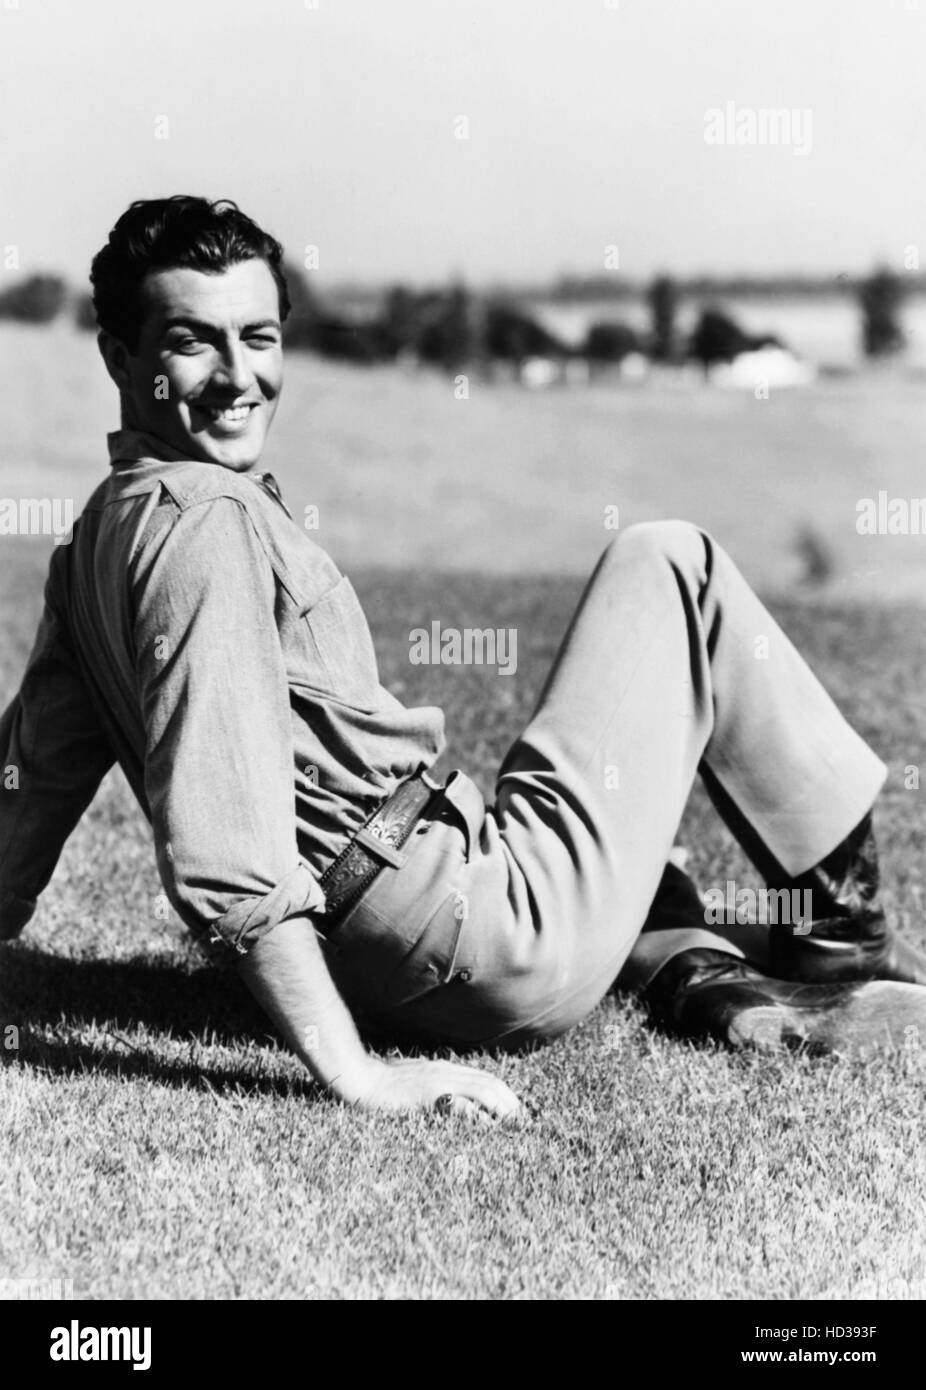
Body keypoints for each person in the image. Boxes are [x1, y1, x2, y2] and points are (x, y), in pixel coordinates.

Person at [2, 196, 926, 1123]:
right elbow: (228, 859)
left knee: (654, 862)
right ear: (121, 357)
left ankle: (698, 977)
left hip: (390, 939)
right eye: (191, 342)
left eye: (261, 336)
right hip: (466, 938)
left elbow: (24, 795)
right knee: (670, 563)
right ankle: (843, 948)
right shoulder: (207, 522)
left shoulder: (95, 540)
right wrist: (363, 1078)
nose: (238, 376)